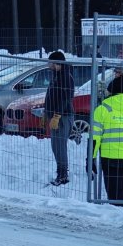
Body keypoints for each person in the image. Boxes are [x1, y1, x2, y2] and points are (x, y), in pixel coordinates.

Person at [90, 73, 123, 209]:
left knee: (113, 196)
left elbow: (95, 138)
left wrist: (90, 158)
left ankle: (116, 223)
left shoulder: (102, 109)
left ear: (111, 92)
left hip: (110, 158)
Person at [44, 50, 75, 186]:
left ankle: (63, 175)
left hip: (63, 116)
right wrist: (46, 112)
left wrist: (56, 115)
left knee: (60, 146)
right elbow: (51, 96)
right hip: (54, 115)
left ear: (57, 63)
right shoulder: (56, 75)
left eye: (50, 62)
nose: (48, 65)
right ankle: (60, 172)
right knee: (55, 146)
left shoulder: (66, 77)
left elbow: (65, 99)